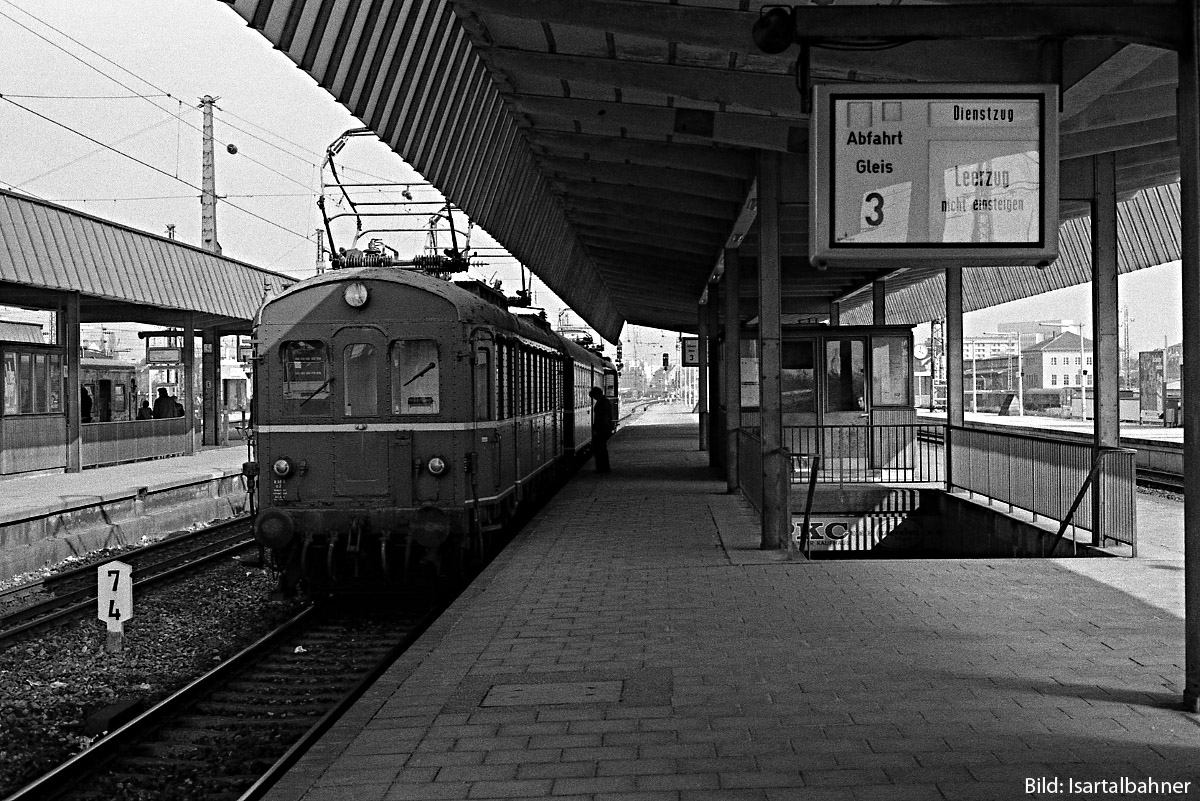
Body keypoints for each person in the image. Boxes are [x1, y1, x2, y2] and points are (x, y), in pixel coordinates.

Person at [589, 386, 613, 473]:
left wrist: (596, 428)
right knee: (602, 448)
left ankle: (602, 468)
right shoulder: (604, 401)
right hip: (604, 428)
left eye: (594, 397)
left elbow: (601, 417)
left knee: (599, 449)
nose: (594, 398)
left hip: (601, 429)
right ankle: (604, 467)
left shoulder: (602, 402)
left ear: (597, 394)